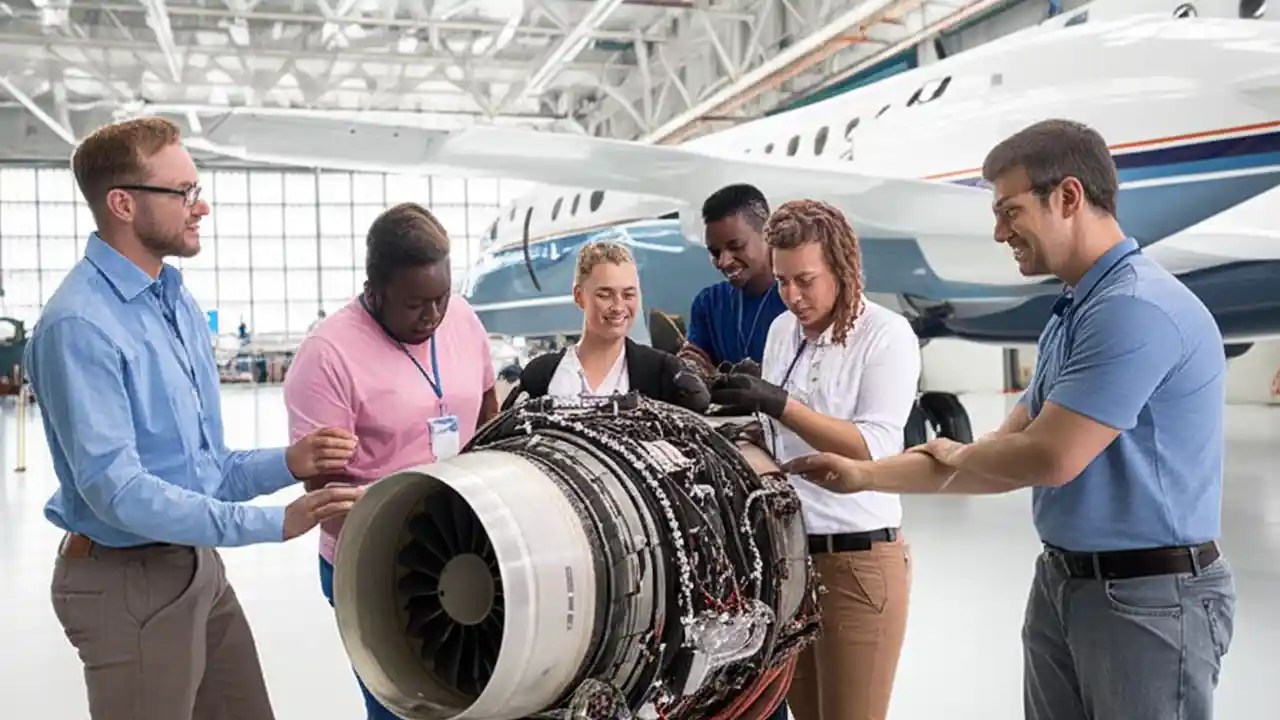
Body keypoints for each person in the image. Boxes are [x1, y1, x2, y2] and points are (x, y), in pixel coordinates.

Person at [783, 119, 1237, 720]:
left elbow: (1047, 457)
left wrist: (958, 453)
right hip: (1066, 582)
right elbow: (1002, 452)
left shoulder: (1133, 309)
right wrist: (863, 476)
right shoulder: (1074, 313)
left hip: (1148, 598)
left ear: (1068, 197)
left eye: (1010, 210)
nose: (999, 232)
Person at [25, 116, 363, 720]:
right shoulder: (80, 325)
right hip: (128, 583)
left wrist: (289, 462)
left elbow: (202, 467)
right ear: (123, 203)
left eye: (196, 191)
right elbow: (118, 490)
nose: (199, 208)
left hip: (196, 564)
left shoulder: (173, 300)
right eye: (183, 193)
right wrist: (269, 522)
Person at [283, 201, 499, 719]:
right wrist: (407, 517)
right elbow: (323, 496)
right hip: (376, 559)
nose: (432, 315)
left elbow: (490, 409)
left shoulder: (461, 319)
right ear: (374, 291)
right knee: (405, 708)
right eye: (415, 304)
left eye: (441, 298)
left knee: (479, 695)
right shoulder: (328, 356)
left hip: (471, 542)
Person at [710, 199, 920, 720]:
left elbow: (876, 446)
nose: (792, 295)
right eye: (782, 281)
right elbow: (778, 438)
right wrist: (735, 420)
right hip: (792, 562)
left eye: (805, 280)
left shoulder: (886, 335)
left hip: (858, 563)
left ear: (843, 268)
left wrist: (782, 404)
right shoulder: (783, 330)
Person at [514, 240, 710, 412]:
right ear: (579, 296)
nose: (618, 307)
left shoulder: (662, 372)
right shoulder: (541, 376)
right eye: (604, 294)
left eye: (628, 295)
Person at [679, 184, 788, 376]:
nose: (723, 262)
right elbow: (695, 371)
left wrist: (718, 377)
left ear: (768, 235)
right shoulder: (708, 303)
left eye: (736, 246)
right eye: (715, 252)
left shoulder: (798, 302)